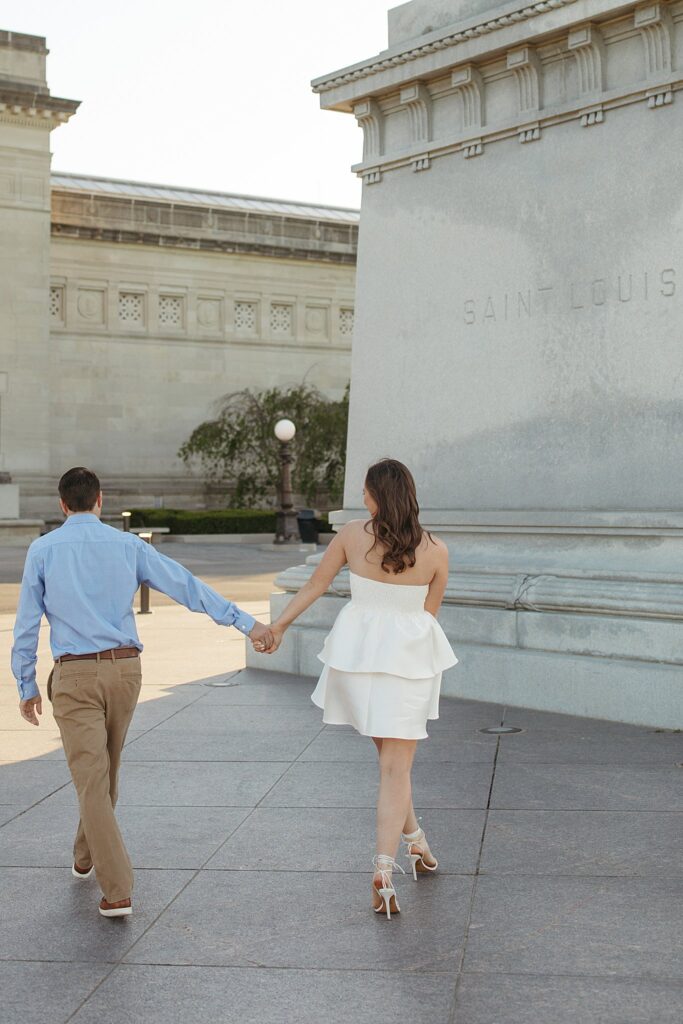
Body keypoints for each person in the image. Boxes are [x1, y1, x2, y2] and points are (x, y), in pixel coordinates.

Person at [11, 467, 273, 919]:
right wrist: (247, 623)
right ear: (99, 501)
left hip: (74, 678)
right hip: (126, 672)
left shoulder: (43, 550)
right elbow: (186, 587)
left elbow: (27, 625)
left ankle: (118, 890)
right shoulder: (129, 545)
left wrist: (26, 683)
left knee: (95, 778)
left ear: (62, 504)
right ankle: (84, 855)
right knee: (103, 774)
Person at [253, 458, 457, 918]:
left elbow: (315, 585)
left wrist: (279, 626)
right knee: (395, 768)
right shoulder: (437, 551)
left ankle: (417, 843)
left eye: (365, 492)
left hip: (359, 657)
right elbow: (428, 617)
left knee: (390, 764)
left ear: (375, 496)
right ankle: (383, 871)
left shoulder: (350, 535)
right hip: (408, 662)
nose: (362, 499)